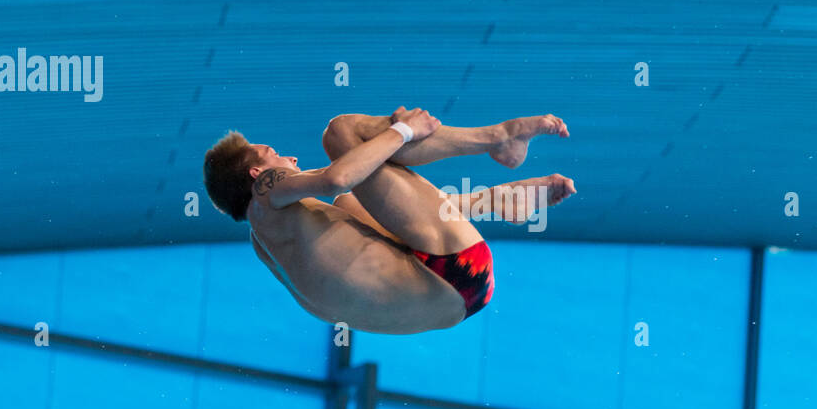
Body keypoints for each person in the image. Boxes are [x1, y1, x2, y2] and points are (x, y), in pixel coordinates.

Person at [202, 109, 575, 333]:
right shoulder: (268, 190)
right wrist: (404, 130)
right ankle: (500, 138)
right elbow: (336, 177)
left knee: (351, 199)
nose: (291, 158)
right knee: (341, 132)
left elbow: (350, 183)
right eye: (276, 154)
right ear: (255, 173)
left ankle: (495, 201)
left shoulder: (267, 243)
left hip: (452, 305)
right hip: (454, 267)